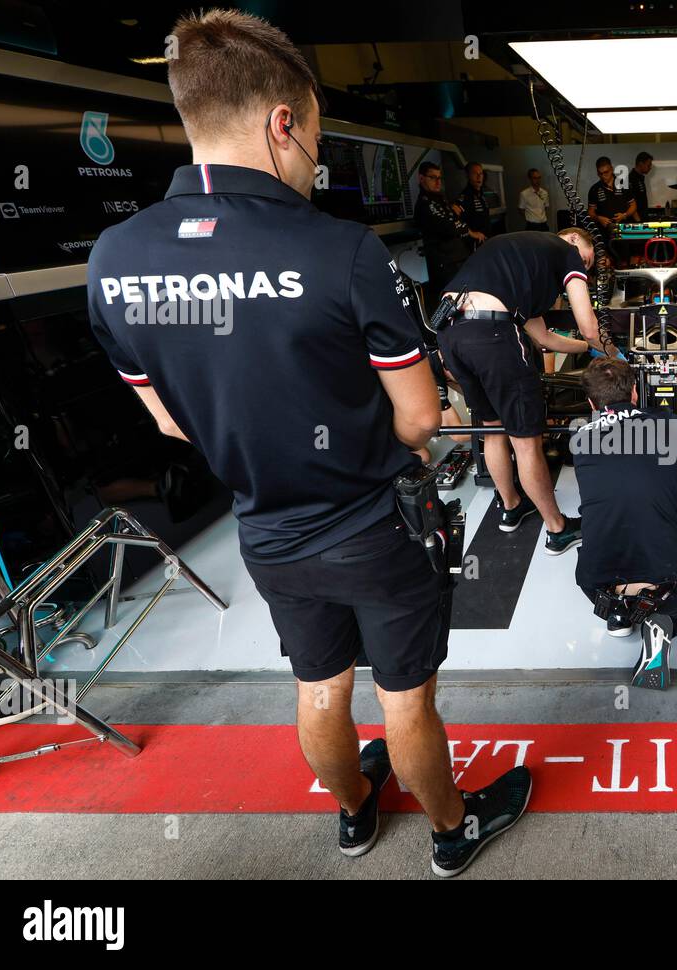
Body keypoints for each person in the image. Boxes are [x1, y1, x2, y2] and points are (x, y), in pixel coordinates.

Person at [86, 8, 528, 877]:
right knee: (406, 696)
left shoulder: (113, 258)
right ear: (280, 124)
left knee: (318, 685)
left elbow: (172, 422)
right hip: (372, 522)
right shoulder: (344, 252)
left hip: (266, 531)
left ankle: (356, 818)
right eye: (315, 139)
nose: (316, 161)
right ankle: (451, 833)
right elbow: (420, 419)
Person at [436, 228, 607, 554]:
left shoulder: (518, 261)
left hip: (450, 333)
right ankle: (557, 530)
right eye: (586, 260)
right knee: (526, 442)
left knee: (493, 431)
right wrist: (611, 351)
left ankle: (511, 507)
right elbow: (588, 324)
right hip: (492, 333)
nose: (583, 270)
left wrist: (589, 349)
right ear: (572, 239)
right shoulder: (565, 250)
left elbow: (545, 339)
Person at [572, 358, 677, 689]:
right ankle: (659, 617)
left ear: (591, 404)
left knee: (595, 550)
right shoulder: (670, 425)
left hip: (594, 577)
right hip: (663, 570)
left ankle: (619, 608)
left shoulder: (580, 438)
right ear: (636, 392)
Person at [414, 161, 482, 308]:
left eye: (439, 177)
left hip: (459, 260)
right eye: (433, 177)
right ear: (421, 179)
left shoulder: (440, 200)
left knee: (469, 301)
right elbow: (449, 226)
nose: (438, 182)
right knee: (452, 306)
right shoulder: (425, 205)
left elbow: (455, 221)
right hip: (445, 265)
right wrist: (464, 228)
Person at [587, 155, 637, 264]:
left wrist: (624, 215)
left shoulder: (624, 184)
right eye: (600, 173)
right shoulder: (594, 189)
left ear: (612, 169)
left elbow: (633, 206)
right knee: (607, 263)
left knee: (625, 262)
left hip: (623, 231)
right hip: (604, 234)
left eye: (606, 172)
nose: (604, 176)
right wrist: (599, 218)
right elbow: (590, 212)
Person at [456, 161, 491, 242]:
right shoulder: (465, 197)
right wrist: (472, 234)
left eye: (481, 173)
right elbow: (457, 221)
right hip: (474, 243)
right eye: (475, 173)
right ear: (468, 175)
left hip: (486, 240)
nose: (479, 177)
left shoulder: (482, 194)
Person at [629, 151, 654, 217]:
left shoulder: (640, 178)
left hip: (643, 218)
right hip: (637, 222)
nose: (650, 168)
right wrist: (638, 222)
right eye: (648, 165)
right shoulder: (631, 179)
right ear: (640, 164)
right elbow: (630, 203)